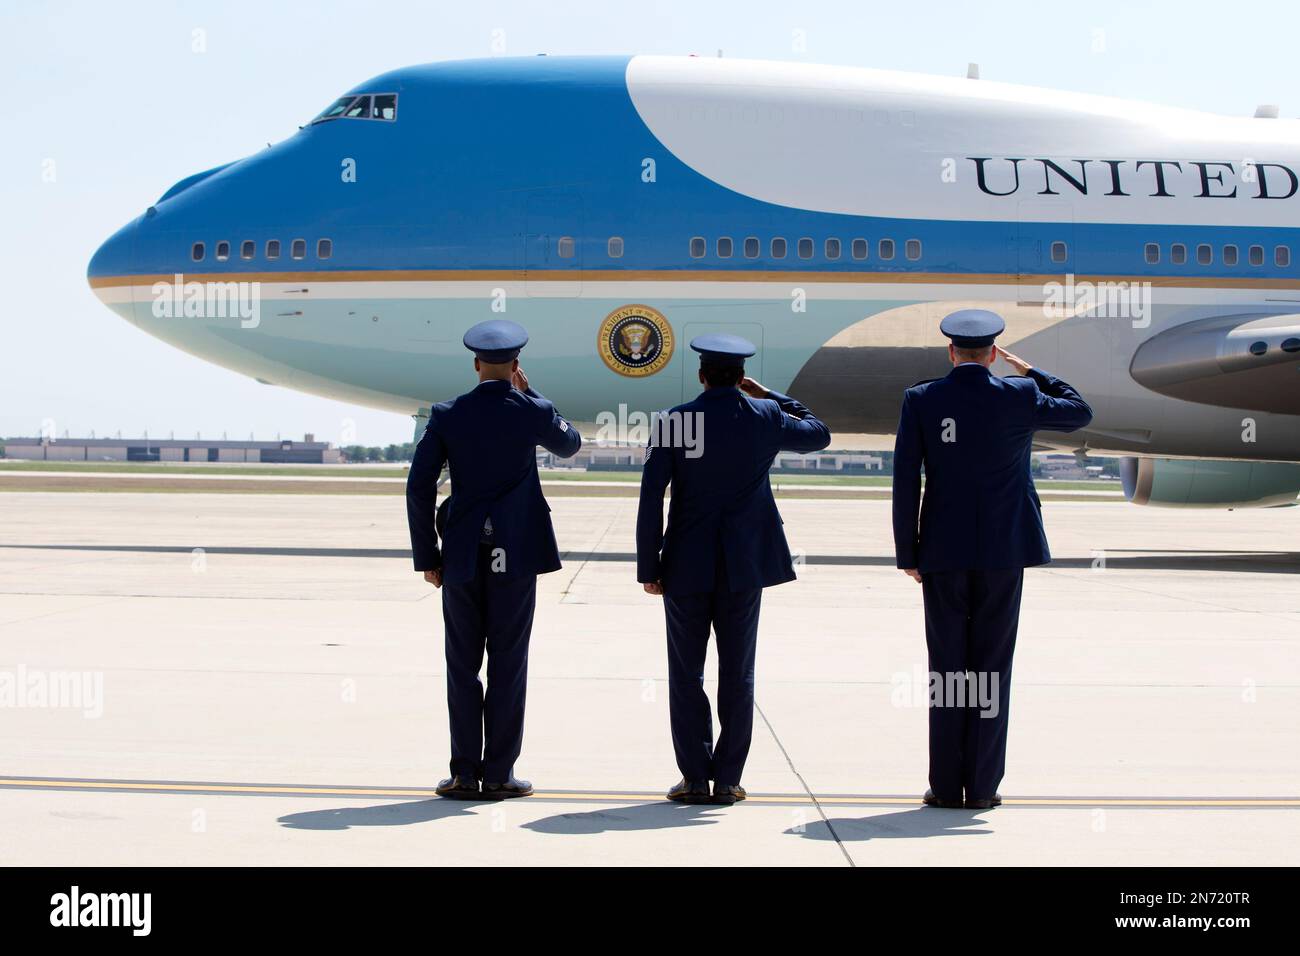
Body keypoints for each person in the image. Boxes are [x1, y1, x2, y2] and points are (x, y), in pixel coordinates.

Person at [892, 309, 1093, 810]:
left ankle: (945, 786)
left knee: (948, 670)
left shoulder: (922, 399)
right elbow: (1078, 409)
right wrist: (1029, 371)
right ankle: (981, 788)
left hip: (941, 552)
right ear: (992, 352)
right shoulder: (1020, 395)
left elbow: (904, 481)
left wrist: (907, 552)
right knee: (992, 668)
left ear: (951, 351)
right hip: (1005, 551)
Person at [637, 334, 831, 805]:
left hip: (685, 563)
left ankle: (694, 778)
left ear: (701, 376)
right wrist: (768, 396)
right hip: (745, 565)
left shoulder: (674, 422)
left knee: (686, 674)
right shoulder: (764, 416)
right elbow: (818, 431)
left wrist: (649, 565)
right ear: (741, 378)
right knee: (738, 673)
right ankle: (728, 779)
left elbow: (651, 500)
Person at [406, 319, 581, 800]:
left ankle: (464, 773)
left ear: (476, 364)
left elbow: (419, 486)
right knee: (509, 662)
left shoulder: (447, 414)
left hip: (462, 554)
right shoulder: (532, 410)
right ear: (516, 366)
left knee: (462, 665)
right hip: (516, 553)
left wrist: (428, 554)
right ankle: (500, 773)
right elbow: (570, 443)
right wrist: (534, 395)